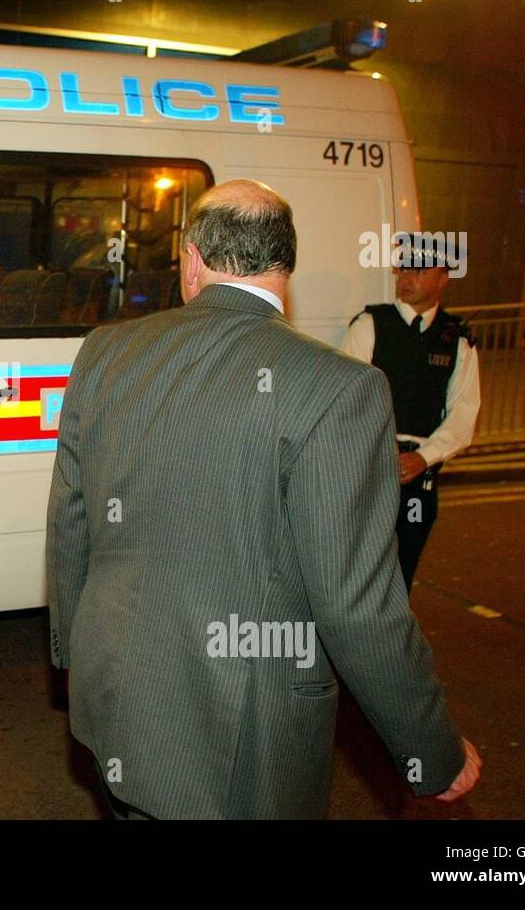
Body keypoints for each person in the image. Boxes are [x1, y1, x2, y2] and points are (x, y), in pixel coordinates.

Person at [46, 180, 481, 819]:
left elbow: (71, 524)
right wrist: (430, 752)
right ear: (285, 267)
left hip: (116, 701)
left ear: (192, 259)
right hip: (240, 746)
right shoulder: (341, 388)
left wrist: (74, 652)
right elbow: (357, 604)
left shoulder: (106, 351)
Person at [341, 234, 481, 593]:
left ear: (443, 279)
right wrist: (377, 450)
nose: (407, 277)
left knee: (401, 576)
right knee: (355, 573)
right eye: (404, 268)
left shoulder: (457, 340)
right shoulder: (371, 325)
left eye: (419, 270)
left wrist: (424, 457)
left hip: (420, 477)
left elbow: (464, 414)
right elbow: (348, 401)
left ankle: (387, 646)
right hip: (371, 470)